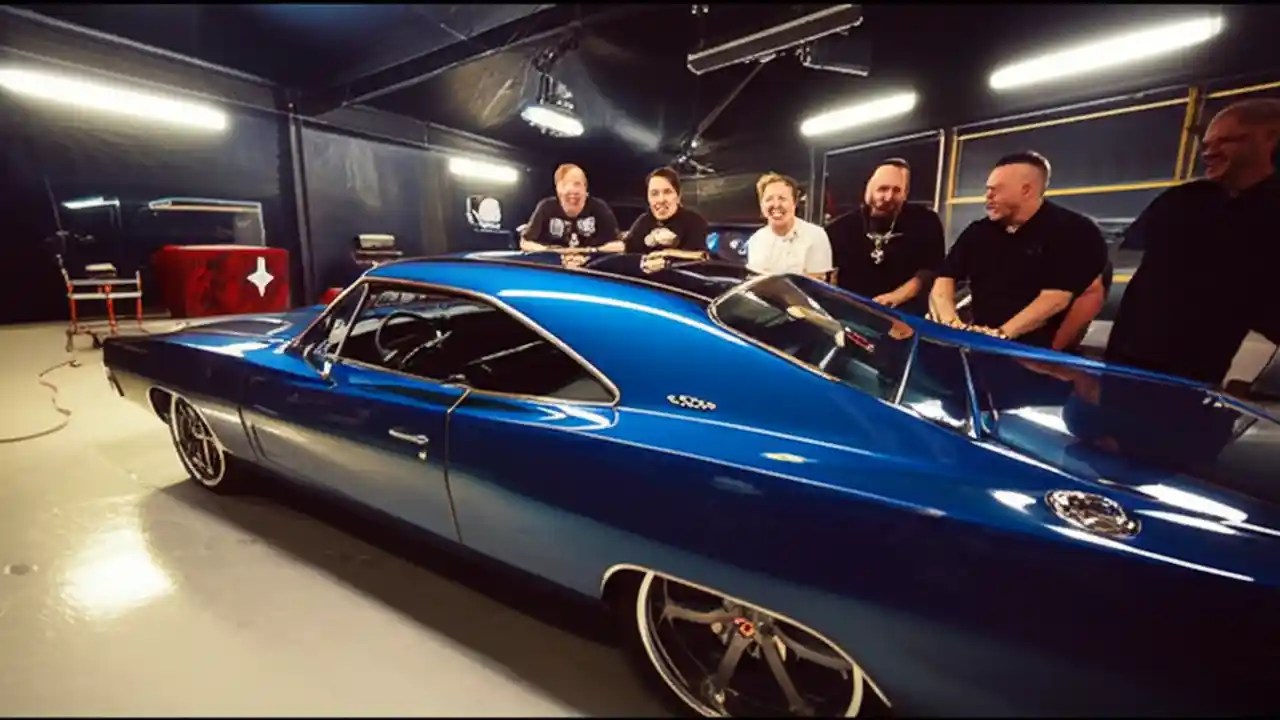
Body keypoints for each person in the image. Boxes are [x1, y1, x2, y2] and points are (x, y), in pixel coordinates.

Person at [1105, 98, 1280, 386]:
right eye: (1207, 145)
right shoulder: (1182, 201)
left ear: (1269, 138)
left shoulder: (1270, 213)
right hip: (1125, 366)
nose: (1209, 153)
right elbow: (1138, 268)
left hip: (1192, 380)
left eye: (1225, 141)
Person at [930, 151, 1108, 348]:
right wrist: (950, 323)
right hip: (981, 345)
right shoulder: (978, 232)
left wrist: (1002, 334)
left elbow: (1056, 299)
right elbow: (945, 278)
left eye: (996, 190)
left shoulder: (1075, 231)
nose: (987, 196)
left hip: (1039, 355)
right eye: (987, 189)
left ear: (1026, 190)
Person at [825, 158, 945, 316]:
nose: (888, 197)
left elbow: (932, 269)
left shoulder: (926, 221)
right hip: (851, 315)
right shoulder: (839, 227)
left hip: (906, 316)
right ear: (869, 190)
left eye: (897, 190)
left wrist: (897, 297)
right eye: (882, 189)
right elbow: (828, 276)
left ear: (905, 193)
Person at [520, 163, 624, 267]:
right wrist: (554, 253)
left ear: (585, 189)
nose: (572, 190)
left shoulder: (599, 207)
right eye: (565, 184)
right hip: (553, 271)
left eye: (577, 184)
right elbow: (525, 243)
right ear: (558, 190)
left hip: (592, 271)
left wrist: (591, 252)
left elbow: (619, 246)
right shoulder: (546, 207)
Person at [745, 172, 834, 280]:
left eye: (782, 198)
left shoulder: (816, 235)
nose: (776, 205)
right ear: (761, 205)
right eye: (769, 199)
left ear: (794, 203)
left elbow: (815, 286)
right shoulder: (756, 240)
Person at [624, 167, 710, 273]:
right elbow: (627, 254)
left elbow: (702, 257)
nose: (661, 200)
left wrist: (666, 254)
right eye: (654, 194)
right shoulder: (643, 222)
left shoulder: (694, 222)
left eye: (667, 192)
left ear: (678, 196)